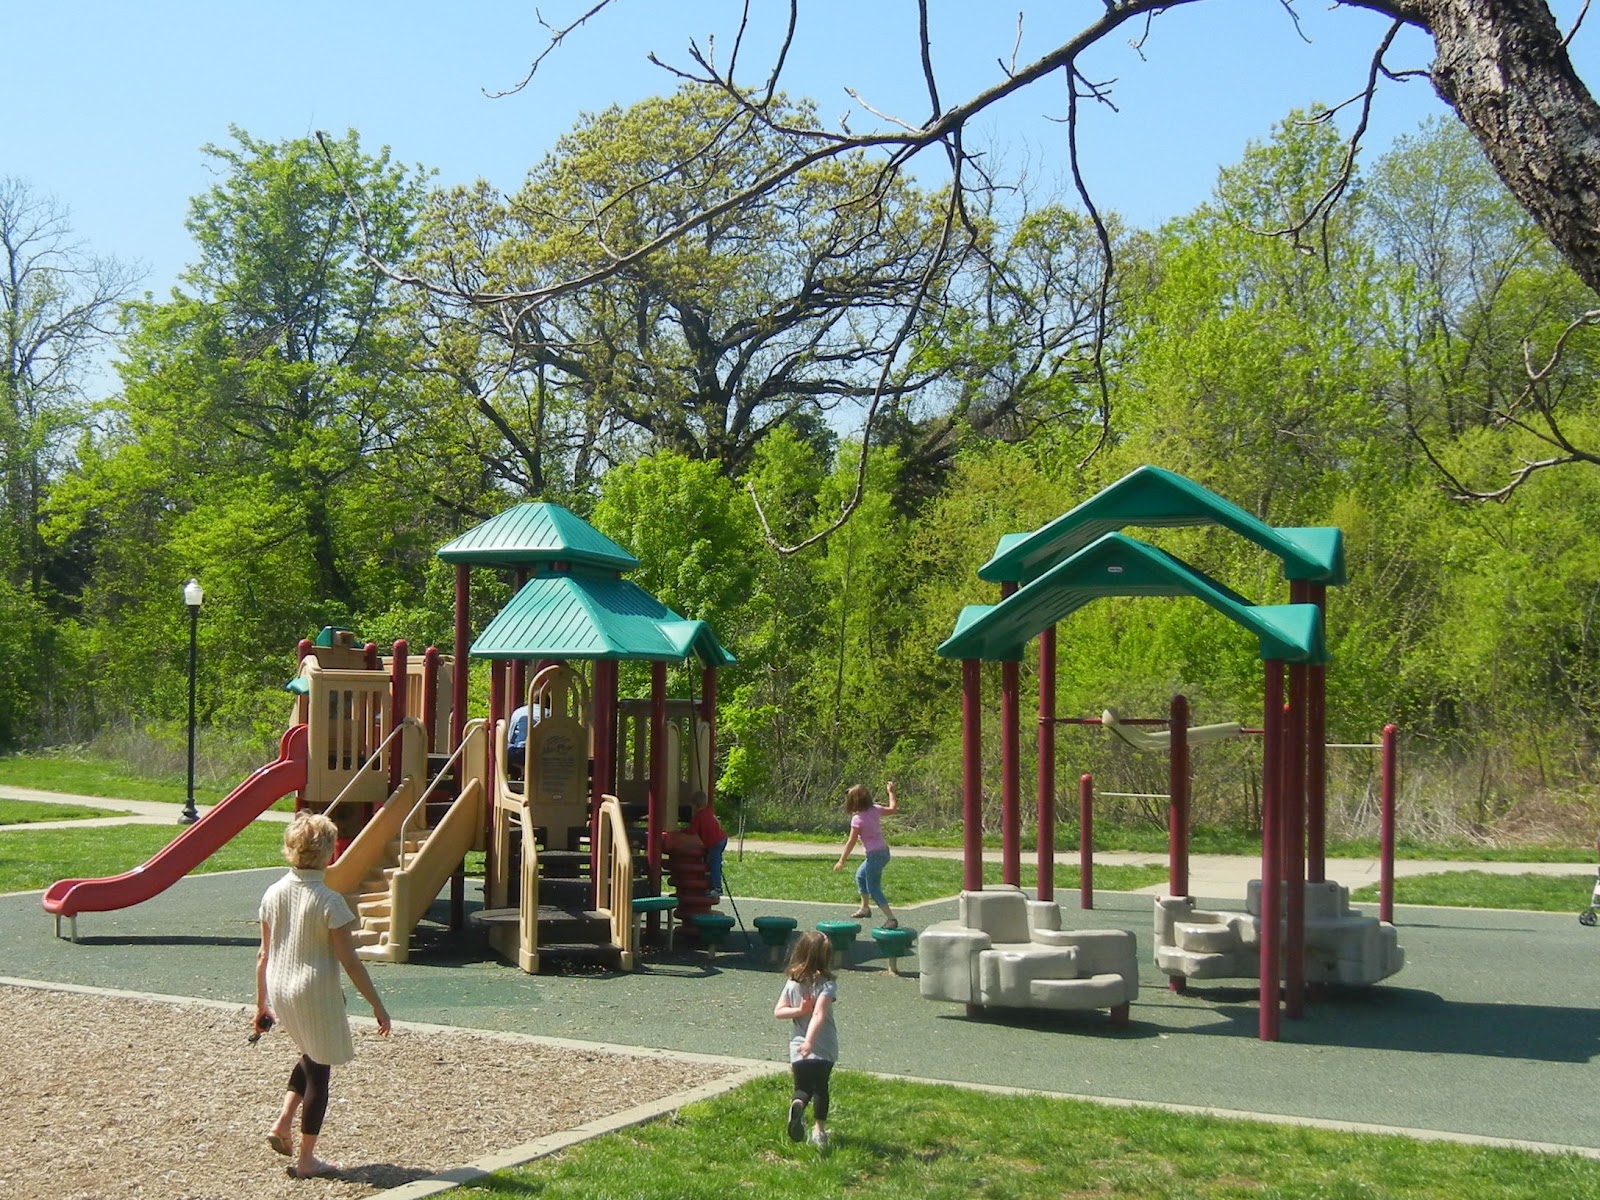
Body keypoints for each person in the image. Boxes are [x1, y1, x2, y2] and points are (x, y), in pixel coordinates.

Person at [257, 812, 391, 1179]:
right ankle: (306, 1160)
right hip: (313, 990)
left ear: (290, 849)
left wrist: (261, 1005)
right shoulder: (330, 902)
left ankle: (282, 1123)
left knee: (310, 1053)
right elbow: (350, 962)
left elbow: (263, 955)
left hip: (280, 988)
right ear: (330, 852)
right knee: (320, 1073)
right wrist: (378, 1006)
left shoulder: (273, 893)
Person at [773, 930, 838, 1150]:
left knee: (802, 1087)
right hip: (823, 1043)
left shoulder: (792, 982)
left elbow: (779, 1012)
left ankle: (797, 1105)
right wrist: (811, 1041)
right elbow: (819, 1014)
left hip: (796, 1045)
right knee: (820, 1087)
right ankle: (819, 1131)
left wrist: (799, 1010)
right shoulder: (826, 984)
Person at [833, 779, 899, 928]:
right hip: (883, 852)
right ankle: (865, 908)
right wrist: (891, 792)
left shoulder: (857, 820)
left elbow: (851, 842)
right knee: (860, 875)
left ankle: (891, 919)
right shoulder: (875, 809)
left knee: (874, 888)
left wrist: (842, 860)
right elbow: (893, 808)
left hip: (874, 856)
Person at [687, 789, 728, 897]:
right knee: (713, 861)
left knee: (714, 863)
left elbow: (692, 832)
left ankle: (717, 888)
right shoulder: (709, 812)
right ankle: (711, 885)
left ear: (695, 805)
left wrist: (682, 832)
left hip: (714, 842)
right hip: (722, 839)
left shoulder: (698, 817)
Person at [507, 703, 530, 774]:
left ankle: (521, 769)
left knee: (503, 748)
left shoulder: (519, 712)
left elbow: (510, 738)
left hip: (520, 753)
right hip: (544, 753)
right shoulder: (549, 713)